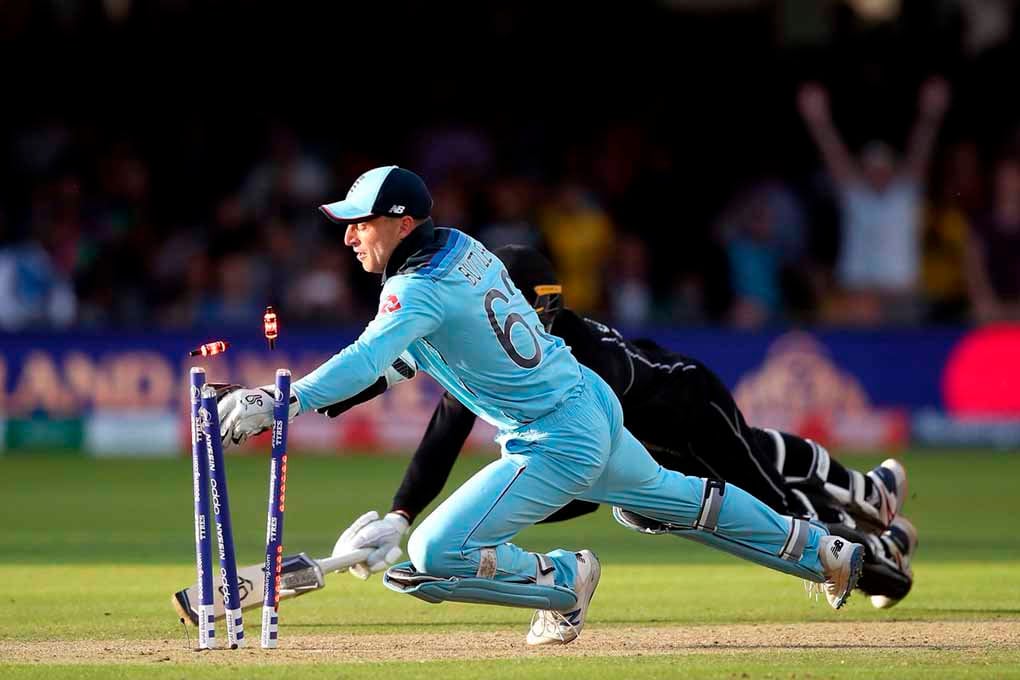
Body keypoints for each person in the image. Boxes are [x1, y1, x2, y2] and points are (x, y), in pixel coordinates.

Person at [217, 166, 864, 647]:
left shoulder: (415, 292)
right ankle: (822, 551)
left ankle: (563, 580)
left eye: (362, 222)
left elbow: (366, 358)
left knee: (433, 561)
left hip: (554, 439)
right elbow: (402, 363)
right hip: (590, 405)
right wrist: (396, 513)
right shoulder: (462, 247)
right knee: (689, 501)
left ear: (403, 224)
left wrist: (285, 403)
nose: (351, 236)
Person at [322, 244, 916, 609]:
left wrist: (503, 513)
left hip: (685, 412)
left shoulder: (578, 351)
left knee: (774, 500)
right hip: (631, 442)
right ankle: (868, 495)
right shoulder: (493, 355)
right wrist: (404, 513)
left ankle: (880, 554)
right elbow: (444, 431)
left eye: (537, 307)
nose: (533, 318)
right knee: (723, 490)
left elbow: (576, 471)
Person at [797, 77, 951, 323]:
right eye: (870, 167)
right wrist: (818, 120)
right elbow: (834, 154)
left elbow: (921, 149)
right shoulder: (856, 198)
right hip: (857, 296)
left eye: (883, 167)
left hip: (900, 298)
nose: (877, 173)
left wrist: (930, 115)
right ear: (862, 170)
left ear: (893, 169)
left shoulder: (905, 196)